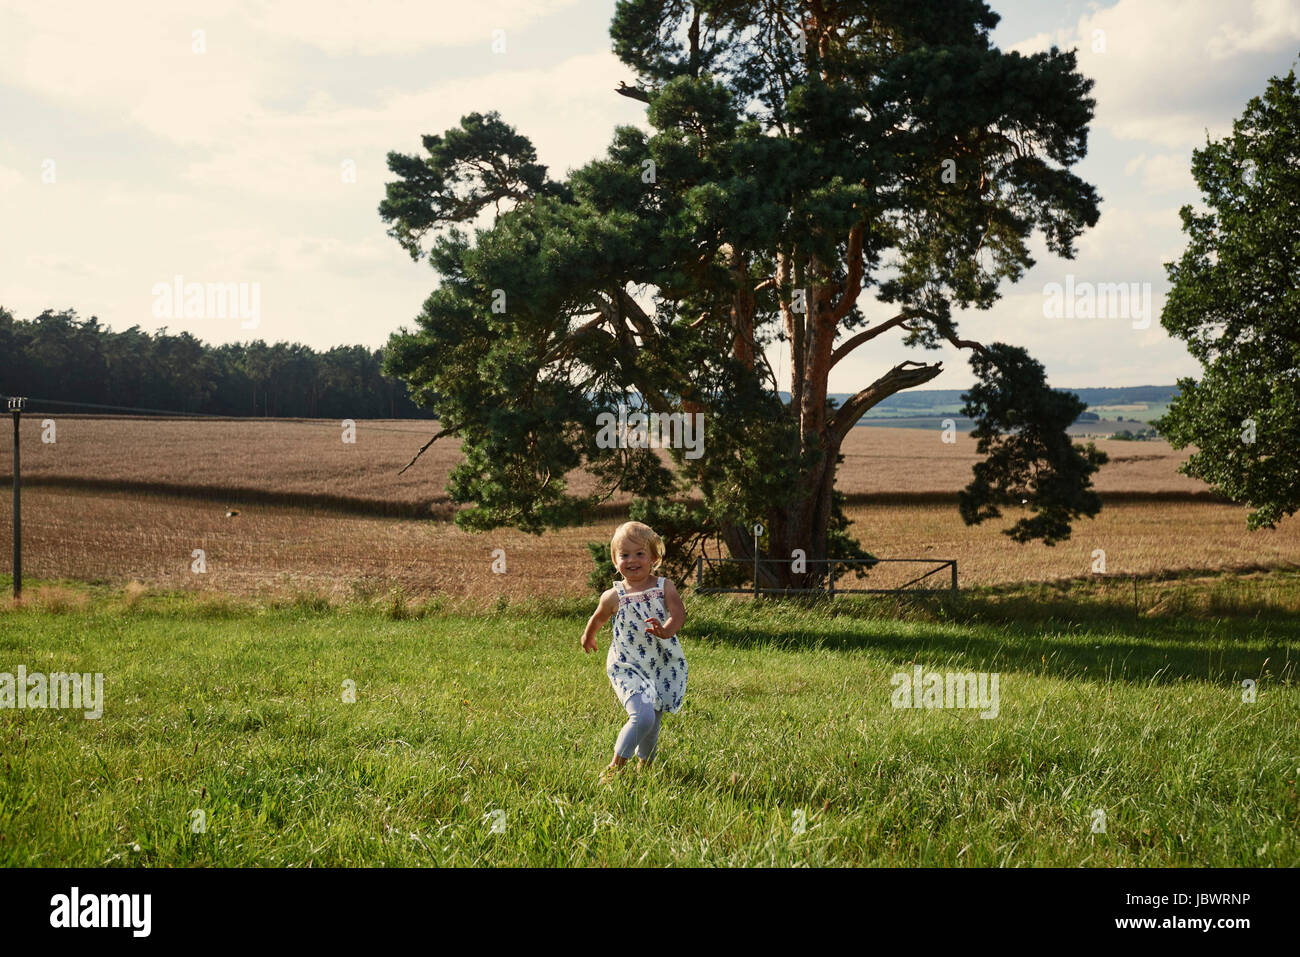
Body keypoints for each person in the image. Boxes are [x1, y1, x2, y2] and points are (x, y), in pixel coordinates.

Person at [580, 521, 688, 783]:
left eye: (639, 553)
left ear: (653, 557)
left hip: (659, 665)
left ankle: (645, 767)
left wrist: (667, 629)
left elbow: (679, 614)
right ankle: (616, 766)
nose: (632, 560)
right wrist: (588, 636)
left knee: (653, 722)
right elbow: (599, 618)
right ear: (615, 560)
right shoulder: (613, 596)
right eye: (624, 555)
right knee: (643, 715)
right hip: (627, 666)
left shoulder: (665, 587)